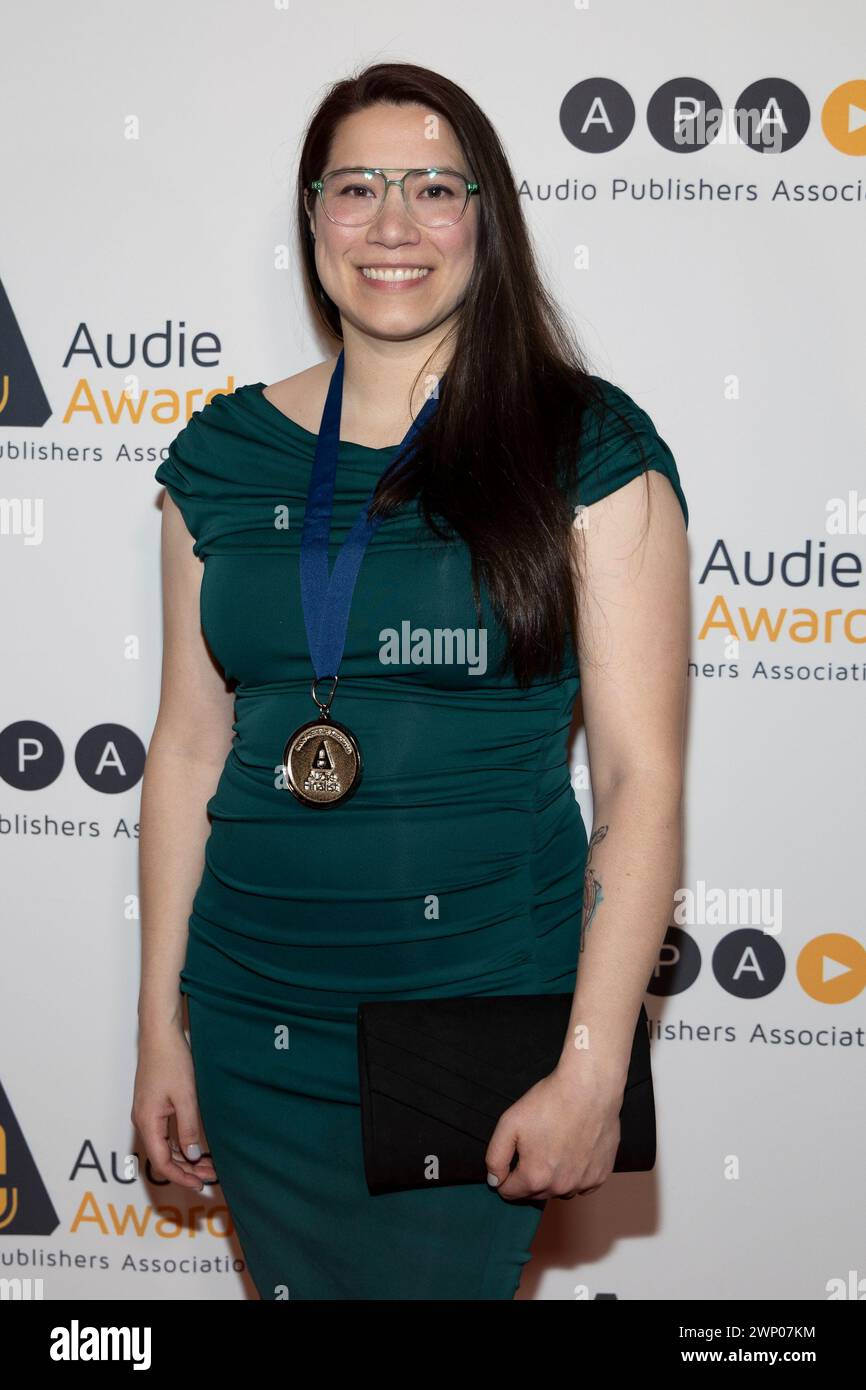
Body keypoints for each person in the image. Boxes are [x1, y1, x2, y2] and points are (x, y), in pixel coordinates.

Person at [133, 61, 690, 1301]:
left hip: (478, 1009)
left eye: (435, 188)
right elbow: (184, 749)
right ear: (311, 215)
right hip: (252, 1012)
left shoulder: (588, 450)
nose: (393, 226)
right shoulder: (219, 460)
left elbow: (642, 784)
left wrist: (592, 1063)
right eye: (357, 188)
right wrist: (159, 1023)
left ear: (485, 220)